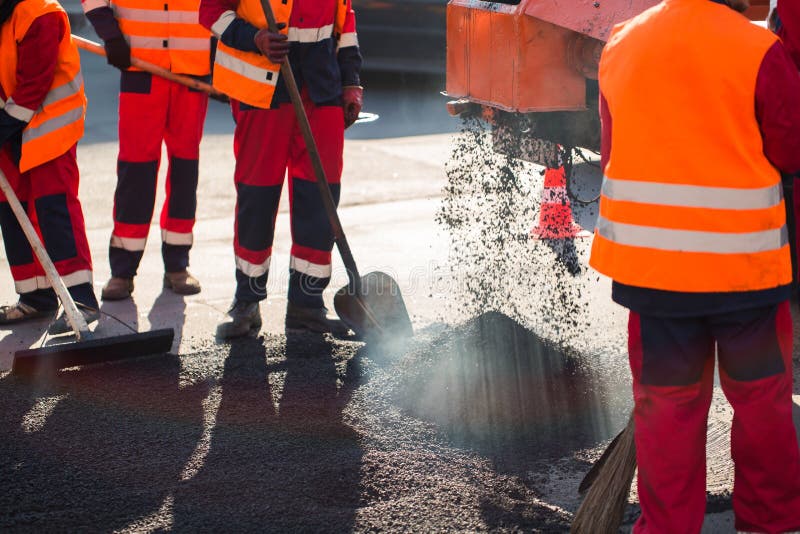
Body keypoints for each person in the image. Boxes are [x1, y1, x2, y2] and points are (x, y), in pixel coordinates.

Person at [590, 0, 800, 531]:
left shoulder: (621, 42)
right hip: (743, 276)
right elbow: (792, 150)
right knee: (761, 409)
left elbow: (613, 151)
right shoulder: (760, 49)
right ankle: (771, 522)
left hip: (655, 280)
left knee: (668, 415)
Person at [198, 0, 363, 338]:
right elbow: (211, 12)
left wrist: (351, 83)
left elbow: (344, 23)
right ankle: (246, 301)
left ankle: (307, 303)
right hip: (263, 87)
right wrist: (254, 38)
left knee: (321, 197)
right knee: (258, 195)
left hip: (320, 88)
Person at [82, 0, 212, 300]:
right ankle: (123, 271)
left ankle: (178, 265)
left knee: (185, 170)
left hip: (192, 73)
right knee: (136, 171)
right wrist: (111, 36)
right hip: (140, 67)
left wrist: (220, 61)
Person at [0, 0, 99, 334]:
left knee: (53, 208)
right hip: (11, 123)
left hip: (47, 124)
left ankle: (81, 300)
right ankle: (36, 297)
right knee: (12, 210)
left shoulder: (39, 14)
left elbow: (33, 87)